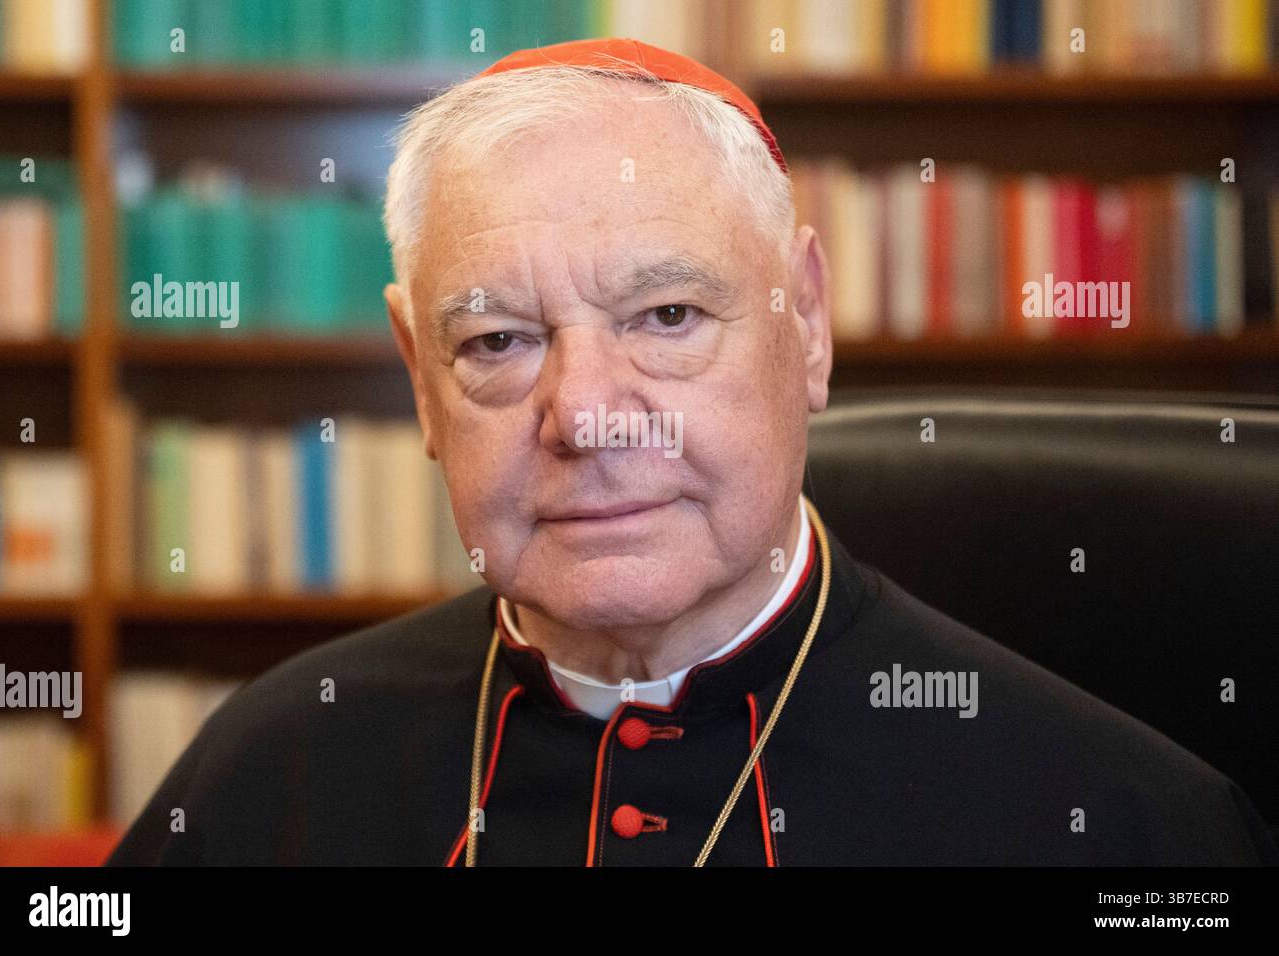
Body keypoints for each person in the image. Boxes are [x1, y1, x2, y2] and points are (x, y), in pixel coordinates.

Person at [107, 38, 1276, 867]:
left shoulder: (1122, 821)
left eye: (666, 317)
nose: (586, 416)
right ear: (420, 374)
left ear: (806, 326)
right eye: (499, 339)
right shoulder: (263, 773)